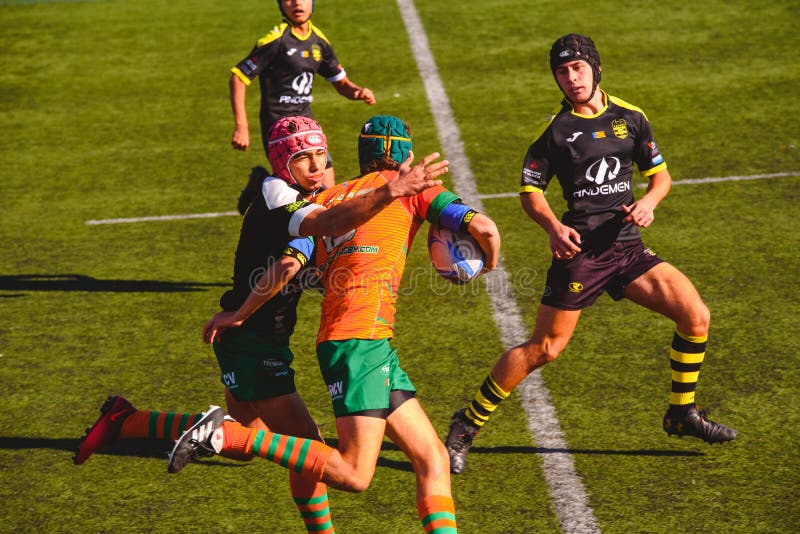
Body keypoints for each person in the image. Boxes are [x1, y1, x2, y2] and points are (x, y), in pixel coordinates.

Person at [75, 115, 445, 533]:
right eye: (303, 158)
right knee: (308, 450)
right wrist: (392, 190)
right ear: (283, 162)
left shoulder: (300, 196)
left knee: (243, 445)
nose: (317, 166)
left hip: (248, 341)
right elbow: (291, 261)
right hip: (252, 340)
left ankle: (127, 420)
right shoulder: (281, 198)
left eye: (321, 154)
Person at [169, 115, 501, 533]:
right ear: (408, 155)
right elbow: (484, 228)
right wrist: (488, 264)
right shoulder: (412, 189)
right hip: (361, 340)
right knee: (354, 474)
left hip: (356, 340)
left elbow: (289, 263)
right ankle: (226, 436)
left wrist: (241, 311)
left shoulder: (330, 201)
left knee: (432, 457)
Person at [444, 33, 737, 475]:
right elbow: (530, 192)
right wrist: (553, 227)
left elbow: (660, 176)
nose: (571, 78)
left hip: (628, 248)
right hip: (580, 254)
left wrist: (649, 203)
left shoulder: (631, 118)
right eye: (562, 72)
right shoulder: (555, 131)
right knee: (544, 348)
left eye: (578, 68)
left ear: (596, 69)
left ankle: (681, 414)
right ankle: (465, 425)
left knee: (696, 316)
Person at [232, 0, 376, 213]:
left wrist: (357, 91)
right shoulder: (275, 40)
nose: (297, 3)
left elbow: (341, 82)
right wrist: (241, 126)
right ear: (281, 5)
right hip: (280, 128)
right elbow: (238, 77)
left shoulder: (318, 41)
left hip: (308, 127)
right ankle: (264, 187)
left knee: (326, 193)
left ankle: (260, 182)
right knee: (307, 195)